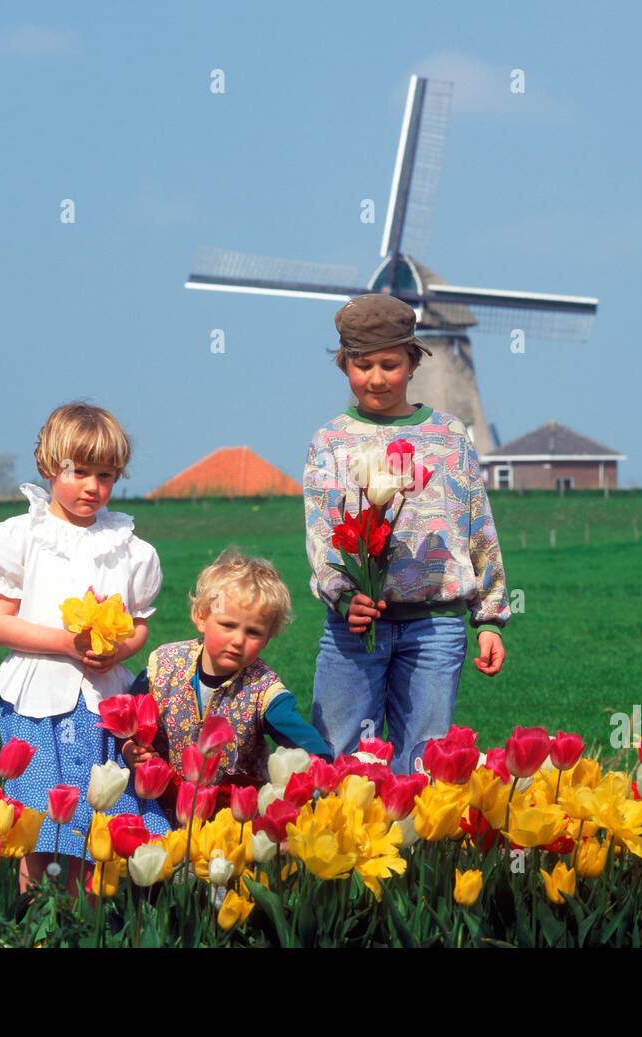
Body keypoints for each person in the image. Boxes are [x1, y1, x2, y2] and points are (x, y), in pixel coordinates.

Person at [304, 294, 509, 775]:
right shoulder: (330, 440)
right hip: (355, 626)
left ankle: (414, 853)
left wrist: (490, 616)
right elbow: (322, 534)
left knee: (425, 763)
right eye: (363, 365)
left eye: (390, 364)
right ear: (345, 365)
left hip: (435, 625)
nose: (376, 378)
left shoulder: (450, 435)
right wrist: (341, 596)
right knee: (342, 758)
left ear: (413, 361)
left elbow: (478, 523)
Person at [0, 402, 169, 892]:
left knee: (95, 830)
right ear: (48, 467)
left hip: (105, 710)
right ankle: (36, 922)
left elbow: (139, 627)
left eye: (105, 475)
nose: (92, 487)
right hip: (37, 707)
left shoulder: (129, 549)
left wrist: (119, 651)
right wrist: (66, 643)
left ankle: (87, 926)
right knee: (39, 829)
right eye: (78, 472)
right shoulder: (21, 538)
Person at [122, 548, 330, 804]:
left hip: (231, 814)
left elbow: (306, 743)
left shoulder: (264, 690)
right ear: (201, 618)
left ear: (267, 639)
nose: (238, 640)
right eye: (228, 625)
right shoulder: (163, 667)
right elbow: (127, 721)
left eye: (253, 632)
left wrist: (325, 769)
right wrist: (130, 748)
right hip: (163, 802)